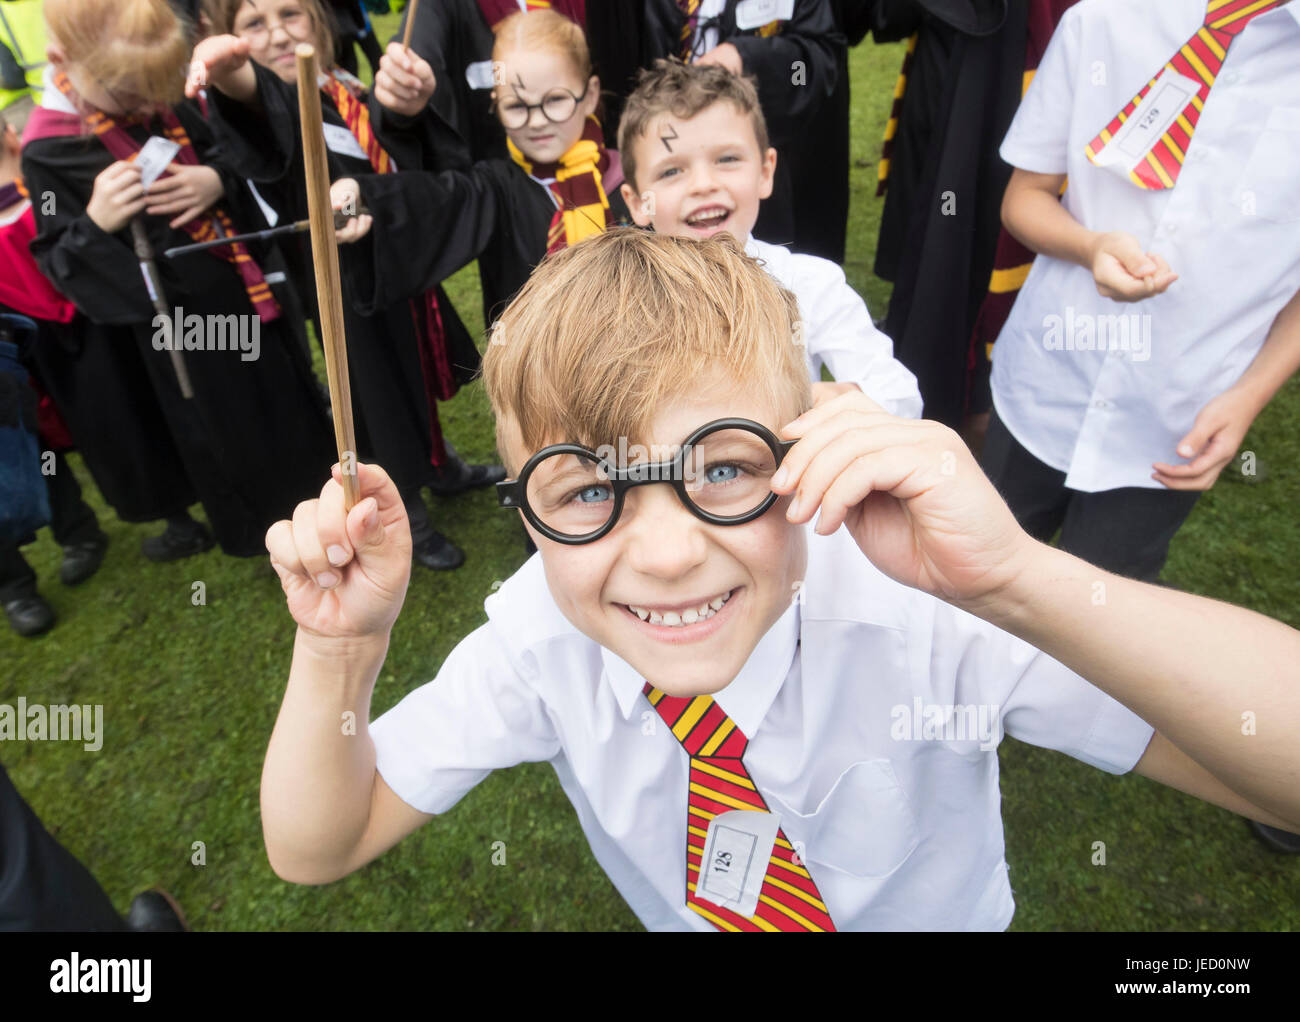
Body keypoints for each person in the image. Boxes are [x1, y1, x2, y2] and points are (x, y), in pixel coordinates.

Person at [259, 228, 1300, 931]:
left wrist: (1017, 579)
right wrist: (340, 652)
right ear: (526, 508)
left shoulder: (925, 609)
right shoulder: (543, 638)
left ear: (802, 445)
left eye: (720, 467)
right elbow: (320, 840)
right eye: (583, 490)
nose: (665, 551)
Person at [982, 0, 1300, 584]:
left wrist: (1249, 398)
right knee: (967, 582)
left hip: (1176, 421)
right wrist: (1090, 245)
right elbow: (1024, 198)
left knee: (1097, 624)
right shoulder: (1103, 20)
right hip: (1045, 382)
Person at [192, 0, 502, 571]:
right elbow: (255, 99)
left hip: (393, 262)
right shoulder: (286, 101)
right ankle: (405, 508)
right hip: (344, 292)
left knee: (417, 373)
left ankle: (440, 465)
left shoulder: (340, 83)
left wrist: (404, 110)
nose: (278, 35)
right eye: (253, 26)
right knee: (374, 399)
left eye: (291, 15)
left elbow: (394, 152)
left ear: (318, 21)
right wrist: (231, 68)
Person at [23, 0, 336, 559]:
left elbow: (239, 148)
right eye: (129, 92)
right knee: (231, 429)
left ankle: (324, 504)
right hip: (183, 333)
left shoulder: (166, 100)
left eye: (157, 88)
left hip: (248, 287)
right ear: (62, 61)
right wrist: (96, 223)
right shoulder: (50, 150)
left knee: (288, 398)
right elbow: (58, 259)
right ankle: (269, 536)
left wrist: (216, 178)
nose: (148, 103)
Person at [617, 59, 921, 417]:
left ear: (765, 172)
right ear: (637, 202)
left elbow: (899, 396)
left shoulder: (810, 284)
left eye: (727, 158)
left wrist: (837, 402)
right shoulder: (622, 303)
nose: (703, 185)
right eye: (671, 171)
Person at [314, 8, 630, 329]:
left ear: (589, 96)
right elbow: (431, 204)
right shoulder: (495, 190)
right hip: (535, 370)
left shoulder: (633, 182)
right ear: (495, 103)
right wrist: (361, 197)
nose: (537, 121)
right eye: (517, 106)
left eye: (555, 100)